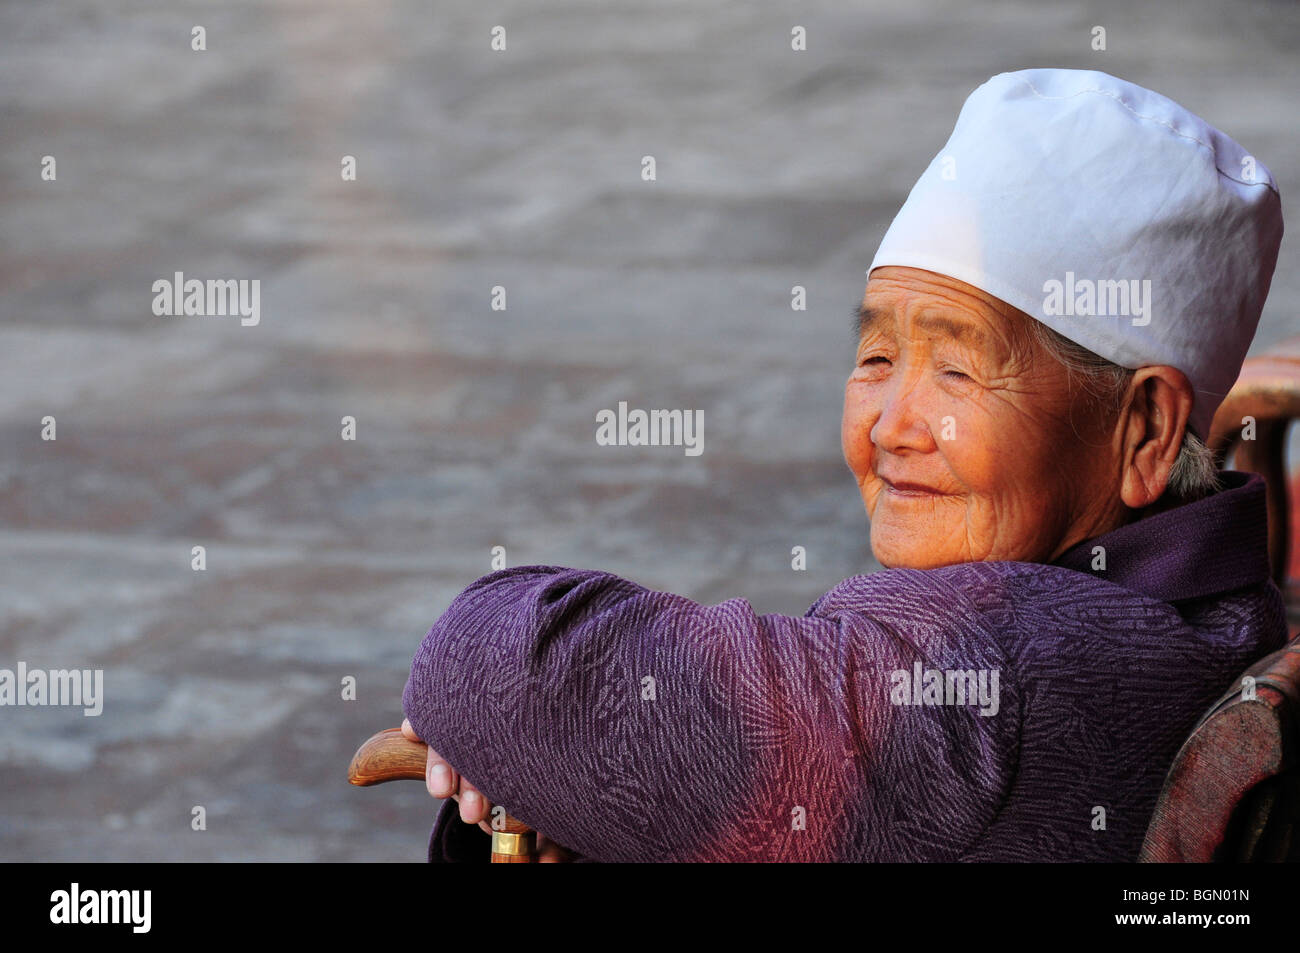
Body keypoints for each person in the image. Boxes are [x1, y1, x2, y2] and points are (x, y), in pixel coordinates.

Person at [401, 68, 1287, 861]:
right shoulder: (1211, 606)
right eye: (874, 358)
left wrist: (520, 727)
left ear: (1144, 430)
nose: (892, 425)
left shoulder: (982, 676)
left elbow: (511, 671)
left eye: (957, 367)